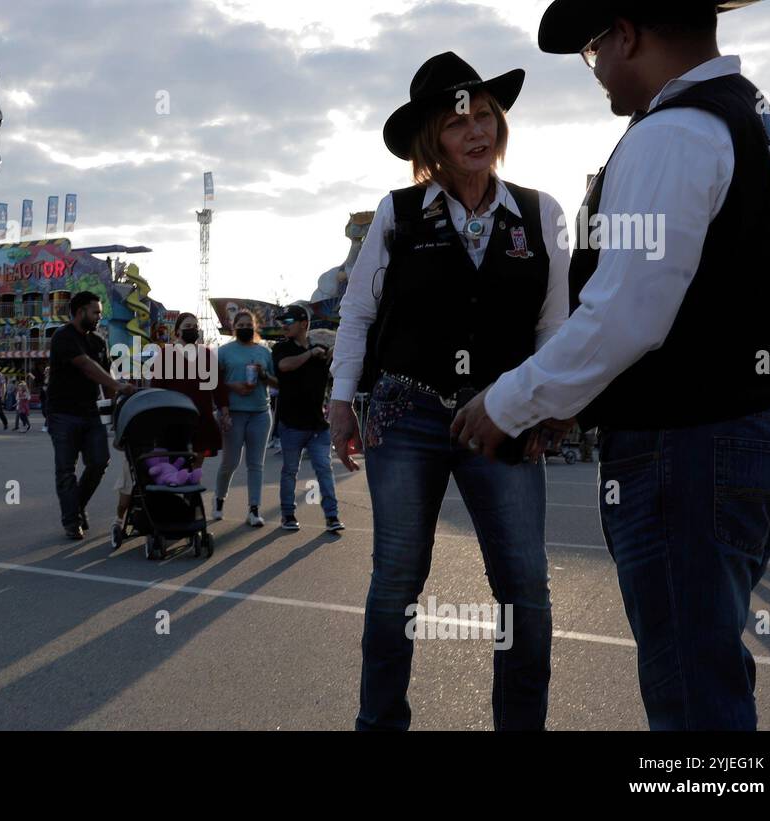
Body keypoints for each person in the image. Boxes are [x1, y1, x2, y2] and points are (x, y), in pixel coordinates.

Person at [453, 2, 770, 731]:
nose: (596, 70)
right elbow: (696, 304)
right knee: (709, 675)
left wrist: (511, 401)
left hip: (687, 452)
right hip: (745, 438)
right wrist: (573, 403)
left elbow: (626, 314)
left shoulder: (670, 132)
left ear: (627, 35)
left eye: (590, 49)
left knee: (689, 701)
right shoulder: (759, 120)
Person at [331, 51, 571, 731]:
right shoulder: (398, 213)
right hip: (405, 409)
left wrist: (546, 404)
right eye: (459, 120)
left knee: (524, 583)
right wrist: (343, 399)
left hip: (506, 411)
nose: (478, 130)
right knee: (398, 578)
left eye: (487, 115)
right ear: (432, 138)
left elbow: (553, 324)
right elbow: (358, 312)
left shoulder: (541, 211)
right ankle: (380, 723)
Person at [121, 312, 229, 530]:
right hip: (172, 420)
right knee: (171, 466)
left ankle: (191, 511)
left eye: (195, 325)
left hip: (202, 419)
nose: (193, 329)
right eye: (188, 325)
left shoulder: (207, 355)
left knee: (195, 465)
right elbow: (157, 387)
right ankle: (169, 512)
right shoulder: (166, 354)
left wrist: (225, 412)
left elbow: (218, 388)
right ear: (177, 330)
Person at [47, 291, 136, 540]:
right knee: (66, 470)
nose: (99, 316)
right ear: (80, 312)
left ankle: (76, 507)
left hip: (90, 412)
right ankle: (71, 521)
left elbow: (106, 378)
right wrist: (119, 386)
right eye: (95, 312)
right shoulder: (63, 337)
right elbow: (87, 366)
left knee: (99, 461)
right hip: (62, 413)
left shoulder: (98, 341)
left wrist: (118, 403)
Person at [273, 304, 344, 532]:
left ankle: (332, 517)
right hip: (291, 423)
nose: (284, 326)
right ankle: (288, 515)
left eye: (288, 321)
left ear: (304, 323)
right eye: (282, 322)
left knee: (324, 468)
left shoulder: (320, 351)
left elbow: (337, 369)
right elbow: (284, 366)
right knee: (290, 471)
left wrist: (332, 354)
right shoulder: (281, 348)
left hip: (317, 425)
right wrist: (310, 354)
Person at [215, 311, 277, 527]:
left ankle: (254, 510)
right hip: (233, 413)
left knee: (256, 464)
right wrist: (233, 386)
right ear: (234, 328)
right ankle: (219, 501)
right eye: (240, 324)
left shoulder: (264, 352)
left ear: (254, 326)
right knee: (230, 462)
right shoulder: (223, 352)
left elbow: (276, 383)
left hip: (260, 412)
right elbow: (214, 382)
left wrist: (263, 376)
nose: (244, 327)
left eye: (248, 324)